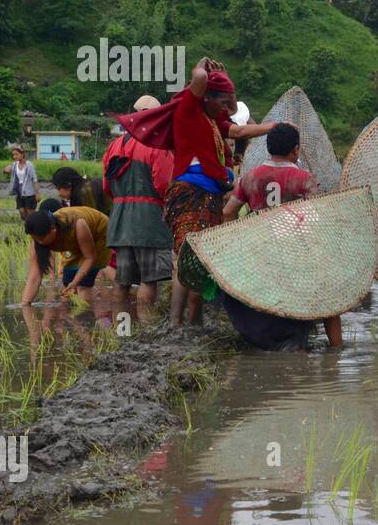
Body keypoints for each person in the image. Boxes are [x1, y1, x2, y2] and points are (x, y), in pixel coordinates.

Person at [112, 57, 272, 326]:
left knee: (200, 257)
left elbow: (240, 127)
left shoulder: (213, 121)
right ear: (206, 96)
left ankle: (193, 321)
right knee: (185, 256)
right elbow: (198, 78)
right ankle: (176, 322)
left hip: (207, 195)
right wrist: (202, 67)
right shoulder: (188, 110)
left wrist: (273, 126)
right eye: (220, 101)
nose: (226, 107)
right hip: (189, 193)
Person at [218, 122, 338, 350]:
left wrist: (235, 241)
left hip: (262, 251)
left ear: (269, 148)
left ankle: (271, 343)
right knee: (330, 300)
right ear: (295, 150)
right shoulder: (303, 178)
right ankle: (336, 353)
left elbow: (228, 212)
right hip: (295, 252)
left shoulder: (250, 178)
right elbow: (317, 218)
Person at [103, 95, 174, 309]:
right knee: (148, 279)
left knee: (122, 280)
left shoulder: (114, 146)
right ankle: (146, 327)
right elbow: (164, 186)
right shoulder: (157, 147)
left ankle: (121, 328)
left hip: (120, 221)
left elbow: (107, 188)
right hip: (149, 222)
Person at [20, 205, 110, 305]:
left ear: (53, 229)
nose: (39, 242)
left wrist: (75, 282)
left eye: (41, 239)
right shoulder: (37, 240)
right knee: (67, 284)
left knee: (83, 286)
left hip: (100, 234)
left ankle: (99, 309)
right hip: (76, 243)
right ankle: (98, 298)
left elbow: (89, 258)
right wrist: (25, 303)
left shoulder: (77, 224)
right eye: (35, 239)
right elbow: (34, 276)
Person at [5, 147, 39, 219]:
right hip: (19, 192)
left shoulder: (29, 165)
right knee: (22, 211)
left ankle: (31, 227)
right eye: (13, 155)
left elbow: (34, 179)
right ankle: (25, 225)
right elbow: (6, 170)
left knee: (30, 214)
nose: (14, 157)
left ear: (22, 154)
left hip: (30, 192)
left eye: (16, 154)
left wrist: (37, 193)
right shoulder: (14, 165)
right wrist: (5, 170)